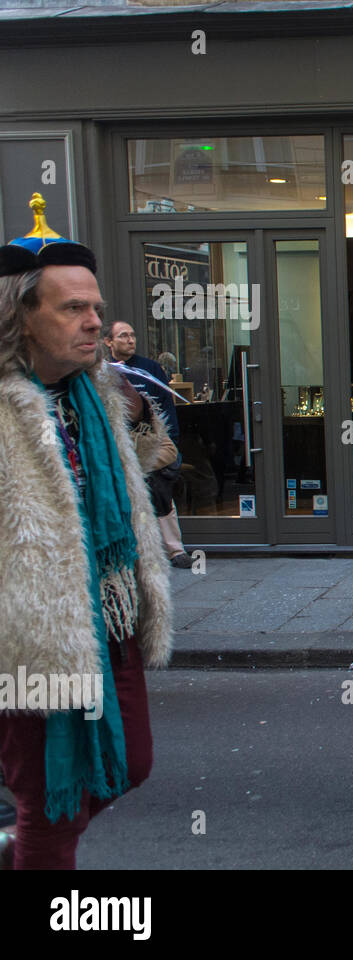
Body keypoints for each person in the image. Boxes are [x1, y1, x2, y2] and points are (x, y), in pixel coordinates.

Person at [0, 239, 173, 870]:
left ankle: (18, 849)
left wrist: (141, 419)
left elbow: (151, 464)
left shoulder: (98, 393)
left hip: (113, 618)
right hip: (33, 640)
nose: (95, 322)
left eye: (96, 307)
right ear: (19, 316)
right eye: (73, 308)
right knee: (52, 805)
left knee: (131, 763)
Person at [103, 320, 192, 569]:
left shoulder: (149, 368)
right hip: (120, 442)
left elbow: (166, 404)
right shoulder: (102, 371)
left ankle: (175, 550)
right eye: (123, 336)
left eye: (132, 335)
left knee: (159, 488)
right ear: (108, 342)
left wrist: (171, 439)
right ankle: (138, 549)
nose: (130, 340)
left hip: (151, 438)